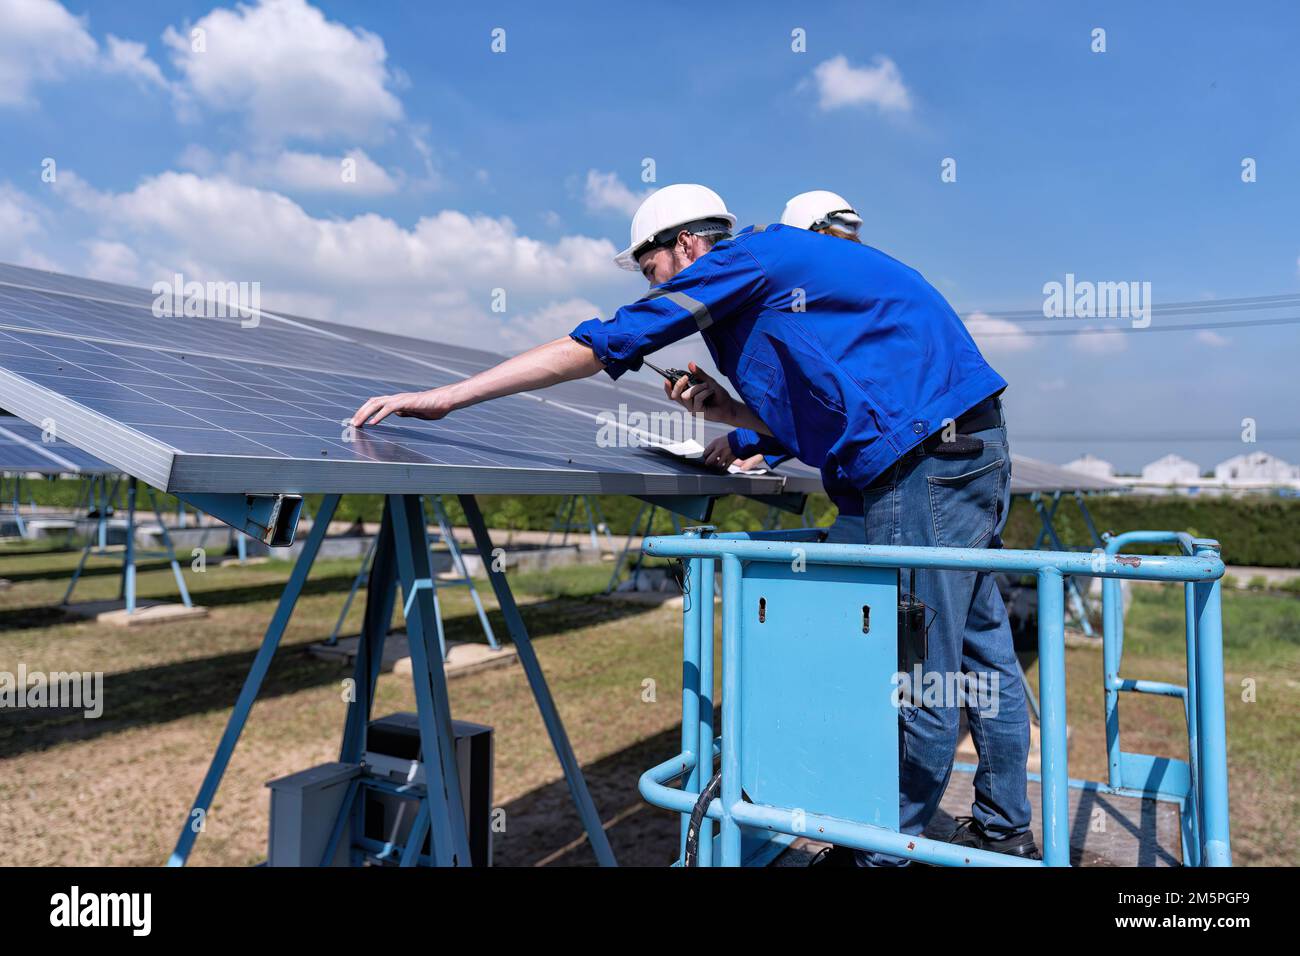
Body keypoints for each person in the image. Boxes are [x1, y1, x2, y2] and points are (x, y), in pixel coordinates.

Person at [350, 183, 1037, 863]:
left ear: (685, 245)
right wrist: (729, 416)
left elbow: (604, 342)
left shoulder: (746, 261)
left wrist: (450, 397)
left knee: (912, 664)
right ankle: (1004, 825)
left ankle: (882, 854)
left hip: (920, 472)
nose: (655, 288)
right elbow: (834, 413)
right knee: (980, 653)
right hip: (961, 454)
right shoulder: (786, 289)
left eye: (652, 272)